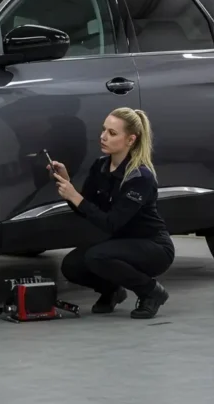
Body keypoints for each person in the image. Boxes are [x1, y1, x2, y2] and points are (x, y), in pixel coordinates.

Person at [47, 107, 175, 319]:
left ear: (130, 139)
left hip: (153, 247)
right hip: (120, 244)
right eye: (104, 130)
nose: (103, 136)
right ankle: (112, 291)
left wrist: (75, 197)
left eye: (112, 133)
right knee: (71, 265)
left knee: (98, 256)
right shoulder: (100, 166)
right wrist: (69, 187)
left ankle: (151, 292)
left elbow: (111, 223)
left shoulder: (140, 176)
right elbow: (87, 210)